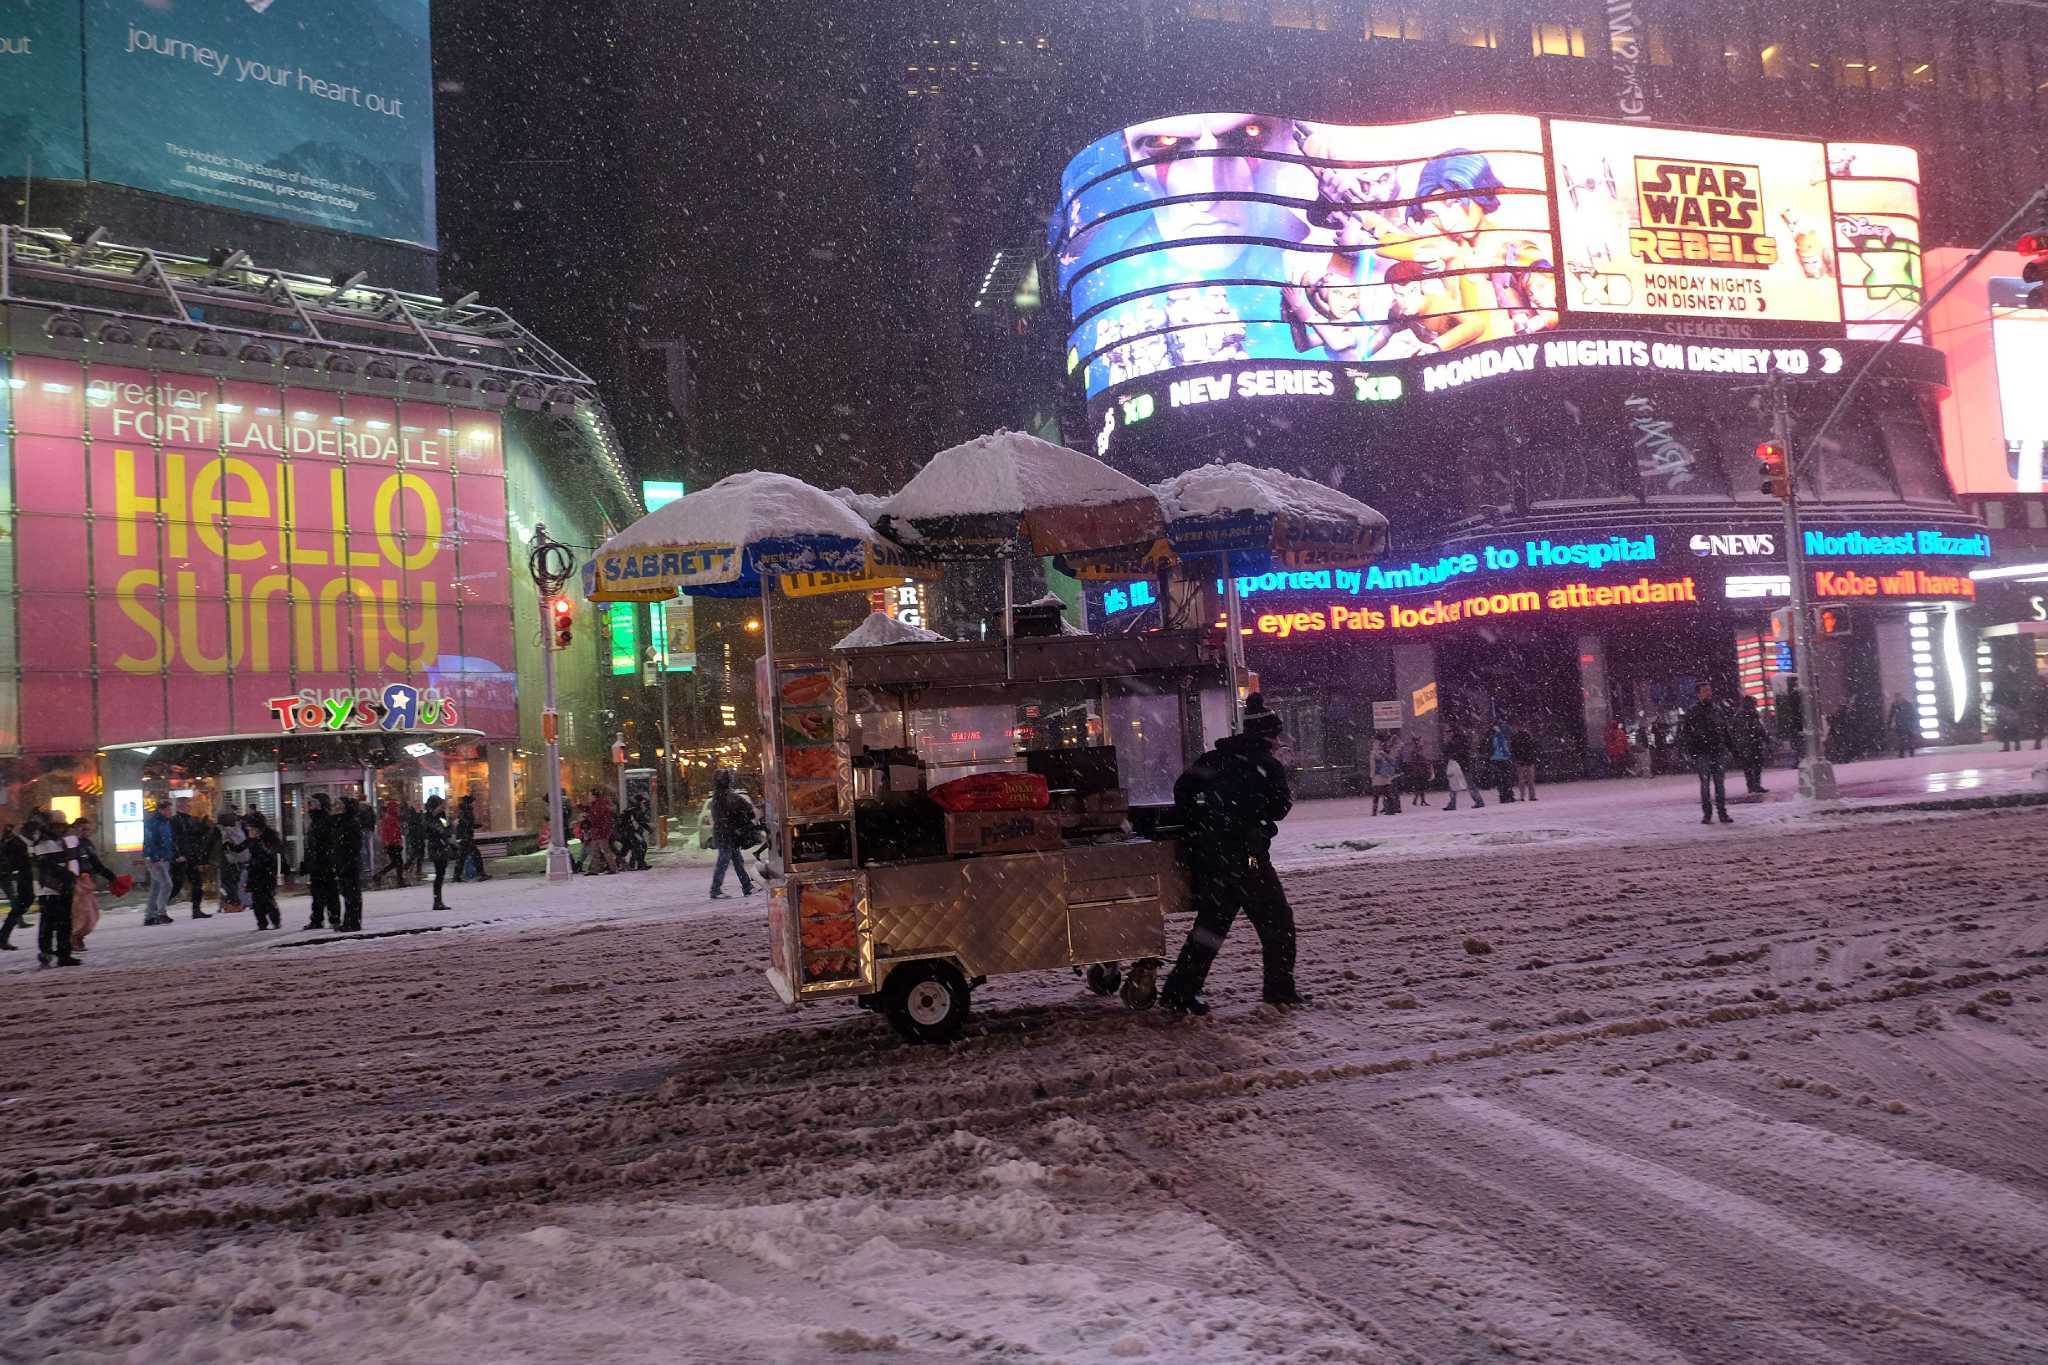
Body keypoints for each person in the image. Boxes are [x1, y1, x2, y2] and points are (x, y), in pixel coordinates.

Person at [1159, 693, 1302, 1014]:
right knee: (1278, 924)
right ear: (1268, 736)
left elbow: (1182, 790)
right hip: (1248, 859)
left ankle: (1179, 991)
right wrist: (1255, 819)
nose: (1279, 741)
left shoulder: (1212, 760)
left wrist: (1199, 823)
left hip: (1212, 858)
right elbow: (1279, 809)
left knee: (1211, 926)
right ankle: (1279, 990)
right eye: (1276, 735)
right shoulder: (1268, 766)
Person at [31, 813, 111, 967]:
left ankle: (64, 954)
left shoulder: (65, 840)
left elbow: (77, 860)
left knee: (65, 923)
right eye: (56, 826)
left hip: (66, 886)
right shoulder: (42, 841)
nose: (59, 829)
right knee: (48, 923)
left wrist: (71, 878)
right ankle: (46, 952)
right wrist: (66, 876)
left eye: (61, 826)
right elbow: (46, 865)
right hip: (48, 889)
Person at [1681, 682, 1735, 825]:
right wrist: (1692, 751)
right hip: (1703, 752)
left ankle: (1721, 813)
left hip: (1717, 751)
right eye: (1705, 691)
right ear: (1698, 694)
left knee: (1719, 784)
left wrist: (1730, 747)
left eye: (1709, 690)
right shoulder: (1693, 712)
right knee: (1706, 784)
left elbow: (1724, 730)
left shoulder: (1716, 709)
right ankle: (1708, 814)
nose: (1708, 693)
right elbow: (1686, 734)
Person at [708, 770, 756, 898]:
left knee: (737, 861)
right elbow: (745, 806)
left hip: (726, 834)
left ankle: (747, 886)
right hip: (727, 835)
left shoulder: (718, 796)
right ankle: (715, 890)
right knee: (724, 863)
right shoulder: (725, 795)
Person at [301, 793, 341, 931]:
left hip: (324, 862)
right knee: (319, 892)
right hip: (319, 863)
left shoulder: (323, 821)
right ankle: (319, 919)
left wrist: (322, 858)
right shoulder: (315, 821)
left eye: (311, 803)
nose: (308, 806)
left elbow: (324, 843)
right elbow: (312, 845)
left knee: (328, 892)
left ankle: (331, 918)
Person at [170, 797, 213, 920]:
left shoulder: (190, 819)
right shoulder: (176, 821)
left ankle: (196, 909)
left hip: (190, 856)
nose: (189, 807)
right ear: (180, 806)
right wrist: (178, 855)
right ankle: (159, 909)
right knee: (176, 885)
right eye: (187, 804)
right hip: (183, 857)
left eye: (189, 804)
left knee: (196, 883)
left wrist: (204, 826)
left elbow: (195, 835)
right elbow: (176, 839)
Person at [241, 810, 284, 930]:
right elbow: (242, 846)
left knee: (267, 898)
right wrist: (229, 846)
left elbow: (272, 852)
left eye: (251, 828)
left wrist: (260, 843)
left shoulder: (269, 836)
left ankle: (275, 920)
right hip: (255, 871)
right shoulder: (251, 837)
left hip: (266, 872)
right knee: (256, 900)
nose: (249, 830)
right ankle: (261, 922)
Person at [0, 816, 38, 951]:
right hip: (16, 877)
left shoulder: (22, 842)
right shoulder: (14, 843)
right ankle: (3, 937)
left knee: (21, 903)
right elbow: (10, 861)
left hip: (19, 876)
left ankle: (3, 936)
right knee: (20, 903)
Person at [333, 796, 366, 933]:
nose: (336, 807)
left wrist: (346, 861)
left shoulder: (350, 822)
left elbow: (354, 845)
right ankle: (350, 921)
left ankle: (353, 922)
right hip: (344, 862)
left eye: (339, 804)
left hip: (349, 863)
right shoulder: (341, 822)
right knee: (348, 894)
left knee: (352, 894)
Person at [143, 798, 177, 926]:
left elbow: (168, 841)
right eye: (168, 809)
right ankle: (160, 913)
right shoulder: (154, 823)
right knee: (167, 884)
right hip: (157, 860)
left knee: (156, 887)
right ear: (161, 810)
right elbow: (149, 841)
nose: (170, 811)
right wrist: (155, 858)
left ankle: (150, 916)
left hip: (163, 858)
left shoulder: (165, 823)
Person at [422, 795, 455, 912]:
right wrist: (442, 831)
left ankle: (438, 901)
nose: (443, 807)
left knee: (441, 874)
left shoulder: (441, 816)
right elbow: (433, 830)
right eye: (441, 805)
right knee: (439, 874)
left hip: (442, 846)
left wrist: (448, 826)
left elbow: (448, 829)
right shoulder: (428, 817)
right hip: (436, 847)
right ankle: (437, 901)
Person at [1736, 695, 1771, 795]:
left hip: (1748, 743)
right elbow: (1759, 728)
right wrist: (1765, 738)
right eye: (1755, 703)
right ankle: (1754, 785)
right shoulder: (1750, 714)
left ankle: (1752, 785)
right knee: (1754, 765)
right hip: (1751, 743)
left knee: (1750, 766)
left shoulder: (1743, 714)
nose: (1756, 705)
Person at [216, 807, 248, 915]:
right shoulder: (238, 826)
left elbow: (223, 846)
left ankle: (232, 904)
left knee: (227, 883)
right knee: (235, 882)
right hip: (240, 859)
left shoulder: (222, 830)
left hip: (229, 859)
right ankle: (236, 903)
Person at [584, 788, 620, 876]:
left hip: (600, 832)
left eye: (590, 795)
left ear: (594, 796)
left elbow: (599, 818)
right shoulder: (598, 804)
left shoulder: (599, 805)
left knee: (603, 850)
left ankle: (611, 868)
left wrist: (588, 817)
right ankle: (598, 869)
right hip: (598, 831)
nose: (588, 797)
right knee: (597, 850)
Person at [374, 799, 408, 888]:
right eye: (397, 807)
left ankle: (379, 876)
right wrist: (395, 842)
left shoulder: (390, 818)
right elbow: (390, 833)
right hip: (392, 845)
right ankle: (399, 880)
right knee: (397, 862)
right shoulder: (390, 818)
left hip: (392, 844)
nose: (398, 809)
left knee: (396, 863)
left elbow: (391, 833)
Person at [455, 795, 490, 882]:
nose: (474, 804)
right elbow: (468, 824)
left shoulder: (463, 810)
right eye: (473, 802)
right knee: (476, 855)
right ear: (469, 802)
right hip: (466, 837)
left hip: (463, 836)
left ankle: (456, 876)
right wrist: (480, 825)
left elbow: (466, 824)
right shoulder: (467, 810)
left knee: (462, 857)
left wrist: (477, 825)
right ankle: (481, 873)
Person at [1370, 735, 1402, 816]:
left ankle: (1375, 811)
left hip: (1378, 776)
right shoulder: (1384, 752)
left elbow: (1372, 765)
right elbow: (1392, 761)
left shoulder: (1374, 753)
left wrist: (1371, 775)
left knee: (1377, 795)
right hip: (1386, 775)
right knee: (1387, 793)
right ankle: (1391, 810)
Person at [1509, 724, 1539, 802]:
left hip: (1521, 761)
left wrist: (1517, 758)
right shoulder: (1529, 737)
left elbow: (1513, 749)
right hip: (1529, 761)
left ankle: (1522, 796)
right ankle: (1531, 796)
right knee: (1530, 780)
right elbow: (1534, 748)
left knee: (1521, 780)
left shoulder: (1515, 737)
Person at [1400, 736, 1431, 808]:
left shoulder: (1417, 750)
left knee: (1420, 786)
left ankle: (1418, 800)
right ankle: (1419, 800)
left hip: (1419, 770)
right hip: (1419, 771)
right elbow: (1415, 761)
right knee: (1420, 786)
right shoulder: (1416, 751)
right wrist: (1424, 763)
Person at [1489, 721, 1516, 805]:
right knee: (1506, 778)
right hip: (1503, 759)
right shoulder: (1501, 736)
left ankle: (1503, 796)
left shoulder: (1493, 736)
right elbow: (1504, 748)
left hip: (1496, 759)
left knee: (1501, 779)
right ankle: (1508, 795)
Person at [623, 796, 653, 870]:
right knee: (640, 847)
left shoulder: (632, 809)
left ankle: (635, 864)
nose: (643, 804)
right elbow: (640, 821)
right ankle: (638, 864)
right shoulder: (635, 810)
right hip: (632, 831)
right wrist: (649, 829)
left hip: (632, 831)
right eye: (642, 802)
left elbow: (640, 821)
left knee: (635, 847)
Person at [1887, 692, 1918, 760]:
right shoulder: (1896, 705)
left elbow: (1913, 714)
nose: (1897, 699)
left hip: (1907, 724)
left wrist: (1914, 723)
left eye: (1898, 697)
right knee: (1902, 739)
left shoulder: (1907, 704)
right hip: (1901, 724)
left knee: (1908, 739)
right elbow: (1891, 715)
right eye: (1896, 697)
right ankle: (1903, 753)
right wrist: (1889, 724)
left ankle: (1910, 753)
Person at [403, 797, 426, 881]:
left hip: (420, 836)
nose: (419, 806)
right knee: (415, 853)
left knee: (420, 853)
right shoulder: (412, 814)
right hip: (415, 836)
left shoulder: (421, 813)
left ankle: (417, 869)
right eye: (417, 804)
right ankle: (408, 866)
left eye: (419, 804)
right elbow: (412, 824)